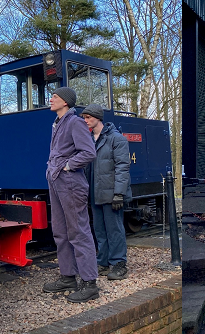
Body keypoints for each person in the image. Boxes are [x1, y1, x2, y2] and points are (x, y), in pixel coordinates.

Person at [42, 87, 99, 303]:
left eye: (55, 96)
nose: (52, 99)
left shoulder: (74, 122)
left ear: (66, 102)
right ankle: (68, 277)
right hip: (56, 181)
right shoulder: (57, 123)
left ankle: (90, 283)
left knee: (79, 232)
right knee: (60, 231)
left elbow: (88, 152)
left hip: (71, 182)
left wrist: (67, 166)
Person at [81, 103, 131, 280]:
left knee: (114, 230)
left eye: (89, 117)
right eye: (84, 118)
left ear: (98, 118)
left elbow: (122, 167)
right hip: (95, 193)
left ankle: (119, 263)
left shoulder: (117, 139)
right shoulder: (88, 140)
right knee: (100, 230)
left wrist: (119, 193)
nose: (86, 120)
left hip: (111, 194)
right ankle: (102, 262)